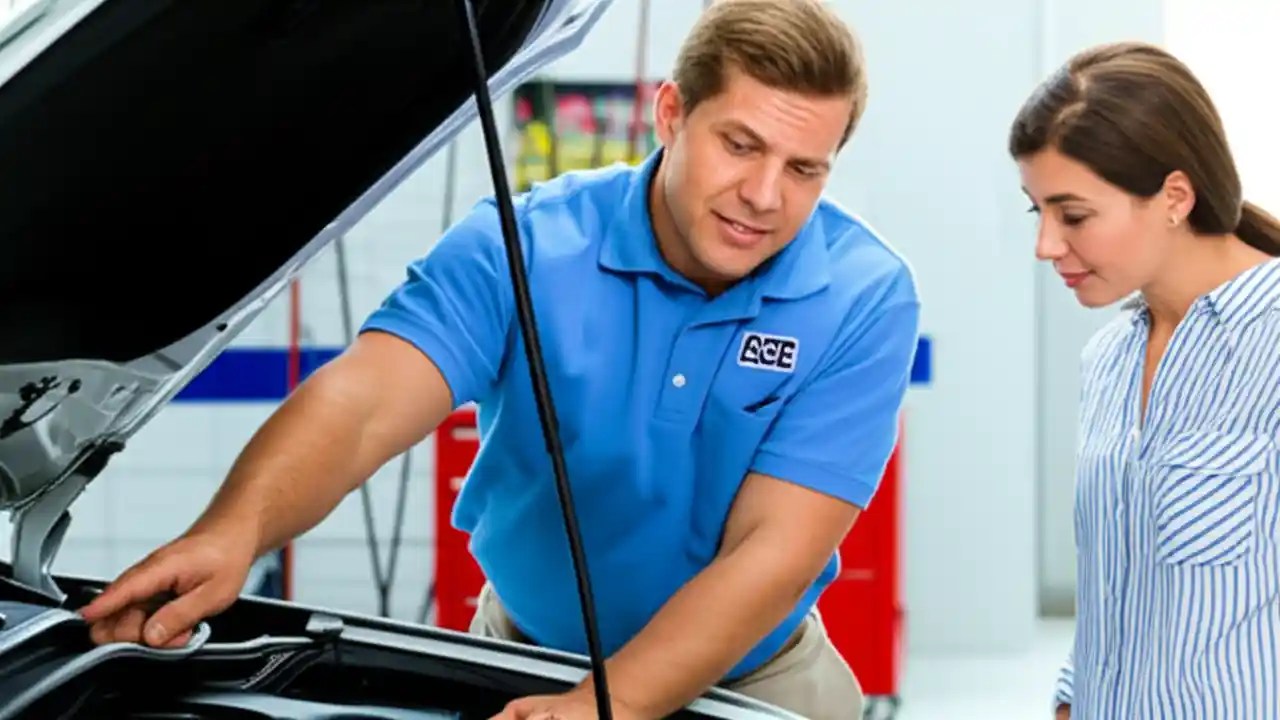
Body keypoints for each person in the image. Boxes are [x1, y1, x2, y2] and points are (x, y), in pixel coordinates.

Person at [78, 1, 920, 718]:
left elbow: (772, 555)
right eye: (740, 145)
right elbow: (366, 401)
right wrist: (233, 530)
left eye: (804, 169)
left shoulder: (863, 295)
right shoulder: (526, 245)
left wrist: (613, 703)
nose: (765, 196)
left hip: (757, 680)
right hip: (523, 660)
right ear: (671, 114)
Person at [1010, 40, 1280, 720]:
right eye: (1037, 212)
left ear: (1174, 197)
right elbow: (1119, 586)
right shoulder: (1108, 359)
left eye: (1073, 216)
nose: (1046, 245)